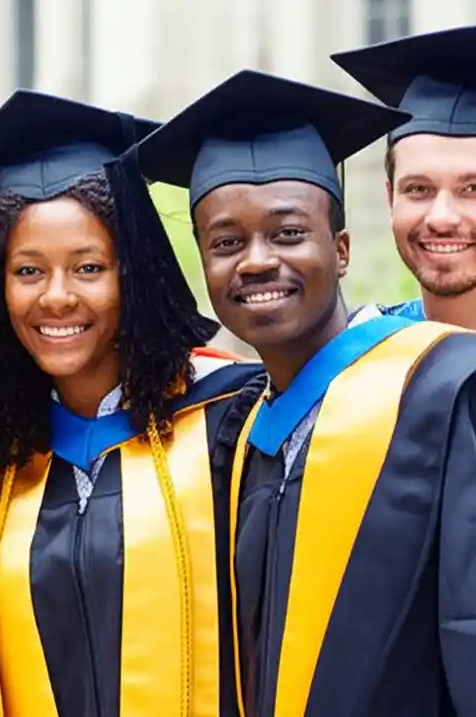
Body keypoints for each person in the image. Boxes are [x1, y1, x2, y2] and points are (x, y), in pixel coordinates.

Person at [139, 69, 476, 716]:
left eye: (288, 233)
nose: (442, 214)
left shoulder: (438, 391)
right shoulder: (240, 423)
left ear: (341, 249)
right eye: (227, 242)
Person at [0, 89, 261, 717]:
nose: (55, 298)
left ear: (133, 274)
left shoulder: (229, 421)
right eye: (28, 271)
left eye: (88, 268)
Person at [332, 26, 476, 327]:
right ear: (390, 198)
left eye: (472, 188)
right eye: (419, 189)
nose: (441, 218)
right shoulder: (359, 354)